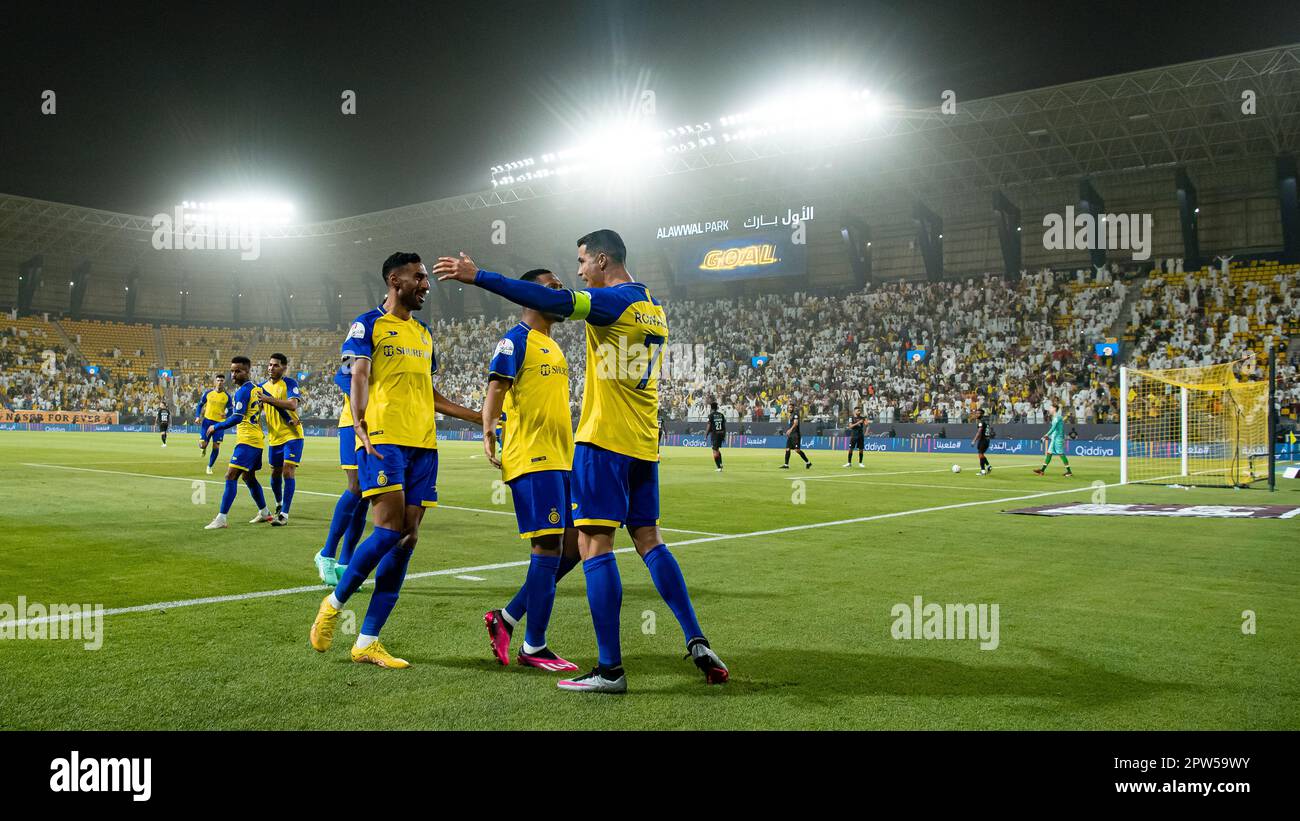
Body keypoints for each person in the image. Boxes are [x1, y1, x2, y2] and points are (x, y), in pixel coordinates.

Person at [435, 229, 728, 693]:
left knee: (594, 546)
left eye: (582, 262)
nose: (579, 272)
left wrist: (478, 277)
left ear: (603, 259)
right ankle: (696, 638)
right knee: (648, 540)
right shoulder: (653, 305)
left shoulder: (613, 301)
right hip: (643, 443)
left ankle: (609, 669)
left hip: (602, 442)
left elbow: (541, 295)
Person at [308, 252, 480, 669]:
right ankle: (333, 605)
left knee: (408, 539)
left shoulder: (424, 333)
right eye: (419, 277)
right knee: (386, 532)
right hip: (384, 438)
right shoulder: (366, 325)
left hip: (425, 444)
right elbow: (358, 374)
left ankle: (367, 641)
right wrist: (361, 421)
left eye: (426, 278)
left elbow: (431, 395)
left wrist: (479, 416)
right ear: (394, 279)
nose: (426, 284)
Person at [481, 269, 581, 672]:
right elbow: (496, 387)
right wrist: (489, 429)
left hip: (562, 458)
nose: (561, 290)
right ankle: (534, 646)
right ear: (529, 294)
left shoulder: (554, 347)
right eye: (553, 286)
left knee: (573, 547)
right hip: (534, 457)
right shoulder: (515, 340)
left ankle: (504, 619)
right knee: (547, 547)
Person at [314, 363, 370, 586]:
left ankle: (345, 564)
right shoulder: (363, 337)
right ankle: (326, 554)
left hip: (378, 423)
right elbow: (342, 376)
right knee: (355, 486)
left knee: (366, 494)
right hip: (353, 422)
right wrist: (362, 399)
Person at [202, 356, 274, 529]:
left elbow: (237, 418)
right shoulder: (258, 389)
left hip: (248, 440)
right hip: (255, 439)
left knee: (230, 475)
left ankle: (221, 518)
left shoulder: (243, 391)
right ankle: (265, 512)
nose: (233, 375)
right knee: (249, 477)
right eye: (232, 371)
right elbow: (274, 402)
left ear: (247, 371)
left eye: (238, 371)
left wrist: (215, 427)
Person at [259, 353, 304, 526]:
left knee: (287, 470)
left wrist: (268, 399)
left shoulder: (290, 383)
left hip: (293, 435)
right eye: (270, 365)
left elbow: (293, 404)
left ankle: (284, 514)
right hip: (274, 438)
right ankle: (279, 504)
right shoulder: (261, 388)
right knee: (275, 472)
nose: (271, 368)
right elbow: (257, 410)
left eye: (275, 365)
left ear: (284, 367)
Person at [195, 374, 232, 474]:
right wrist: (197, 416)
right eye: (218, 380)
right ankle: (203, 448)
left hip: (219, 424)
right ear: (215, 382)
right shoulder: (208, 393)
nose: (220, 382)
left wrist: (226, 415)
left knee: (216, 446)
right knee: (203, 445)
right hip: (207, 422)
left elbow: (231, 410)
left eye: (222, 380)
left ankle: (209, 466)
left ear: (224, 382)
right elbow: (200, 405)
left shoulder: (227, 396)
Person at [1033, 403, 1073, 477]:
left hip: (1058, 438)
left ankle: (1069, 472)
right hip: (1055, 438)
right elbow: (1056, 428)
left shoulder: (1057, 417)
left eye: (1050, 408)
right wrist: (1050, 436)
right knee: (1049, 453)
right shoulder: (1056, 417)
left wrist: (1046, 435)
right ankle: (1042, 471)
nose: (1049, 409)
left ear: (1054, 409)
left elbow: (1053, 428)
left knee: (1061, 454)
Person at [781, 404, 811, 469]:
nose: (789, 409)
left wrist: (790, 430)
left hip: (795, 435)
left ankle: (808, 462)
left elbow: (796, 423)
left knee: (797, 450)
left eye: (791, 407)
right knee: (787, 449)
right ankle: (786, 465)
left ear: (793, 408)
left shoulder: (795, 415)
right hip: (791, 435)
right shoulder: (790, 415)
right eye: (789, 407)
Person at [971, 408, 992, 475]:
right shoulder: (985, 421)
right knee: (981, 454)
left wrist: (974, 440)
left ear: (982, 414)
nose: (977, 414)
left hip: (983, 440)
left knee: (980, 454)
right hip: (986, 439)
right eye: (976, 413)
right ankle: (988, 466)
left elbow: (979, 431)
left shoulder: (981, 422)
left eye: (978, 413)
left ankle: (983, 471)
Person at [707, 400, 726, 471]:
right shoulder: (721, 415)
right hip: (721, 434)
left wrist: (706, 434)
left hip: (715, 435)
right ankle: (720, 463)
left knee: (714, 451)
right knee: (717, 449)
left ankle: (719, 467)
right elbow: (724, 426)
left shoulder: (711, 415)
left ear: (711, 408)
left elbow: (708, 426)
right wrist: (724, 435)